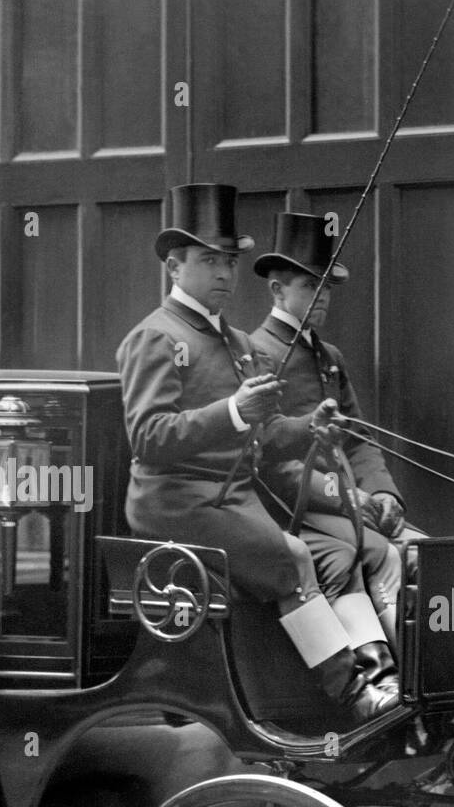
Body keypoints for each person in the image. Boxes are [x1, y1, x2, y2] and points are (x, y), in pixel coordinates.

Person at [116, 183, 397, 724]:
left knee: (318, 552)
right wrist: (234, 412)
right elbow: (149, 437)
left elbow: (264, 441)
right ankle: (352, 694)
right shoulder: (155, 337)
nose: (223, 273)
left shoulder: (237, 344)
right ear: (174, 268)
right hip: (175, 499)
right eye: (207, 260)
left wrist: (307, 428)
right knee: (291, 557)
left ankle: (379, 678)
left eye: (228, 261)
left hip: (231, 498)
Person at [249, 212, 407, 695]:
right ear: (277, 291)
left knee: (418, 551)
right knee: (375, 552)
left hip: (346, 500)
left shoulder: (329, 356)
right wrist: (345, 497)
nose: (322, 299)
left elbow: (357, 438)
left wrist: (383, 493)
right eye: (309, 286)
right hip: (295, 507)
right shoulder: (258, 354)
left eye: (328, 288)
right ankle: (386, 684)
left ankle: (425, 674)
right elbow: (271, 459)